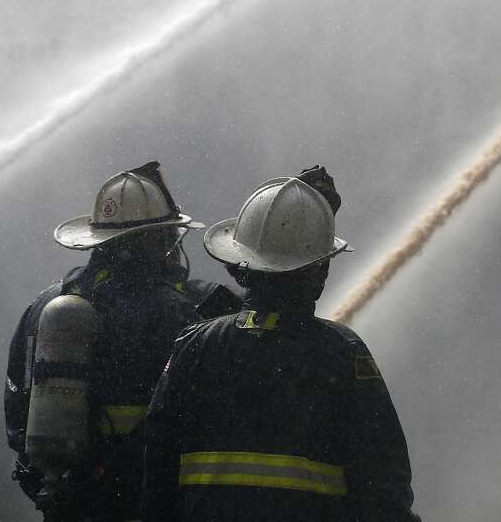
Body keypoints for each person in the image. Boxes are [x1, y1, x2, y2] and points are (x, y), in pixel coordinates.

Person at [141, 168, 420, 521]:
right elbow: (383, 484)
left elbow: (157, 475)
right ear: (317, 272)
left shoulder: (193, 347)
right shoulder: (343, 355)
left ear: (241, 262)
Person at [4, 161, 240, 521]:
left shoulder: (46, 307)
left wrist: (67, 490)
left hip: (69, 505)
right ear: (157, 238)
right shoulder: (186, 315)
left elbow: (17, 414)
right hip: (151, 506)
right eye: (167, 237)